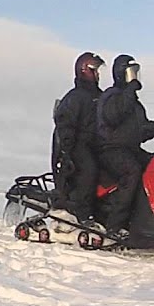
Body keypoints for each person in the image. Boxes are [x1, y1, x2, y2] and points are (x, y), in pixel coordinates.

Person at [96, 55, 154, 238]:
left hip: (131, 149)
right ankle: (115, 226)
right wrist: (129, 90)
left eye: (137, 71)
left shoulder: (135, 104)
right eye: (132, 71)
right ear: (122, 72)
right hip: (112, 149)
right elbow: (114, 116)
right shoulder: (111, 95)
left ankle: (145, 217)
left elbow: (142, 130)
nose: (135, 76)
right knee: (132, 172)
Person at [51, 52, 104, 226]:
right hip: (77, 144)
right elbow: (65, 122)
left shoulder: (100, 96)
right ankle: (82, 212)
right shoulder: (76, 96)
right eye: (94, 70)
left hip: (96, 143)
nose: (98, 74)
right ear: (84, 70)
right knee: (89, 170)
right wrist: (66, 150)